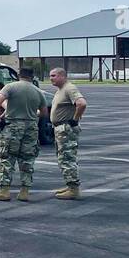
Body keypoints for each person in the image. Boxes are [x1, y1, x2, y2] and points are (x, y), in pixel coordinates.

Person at [0, 67, 49, 201]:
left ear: (19, 75)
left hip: (13, 126)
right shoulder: (38, 91)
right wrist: (32, 115)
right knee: (27, 159)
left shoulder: (10, 87)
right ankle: (24, 191)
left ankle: (4, 191)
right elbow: (44, 113)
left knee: (6, 158)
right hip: (31, 128)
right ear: (32, 77)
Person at [48, 67, 87, 199]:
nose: (51, 78)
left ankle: (74, 189)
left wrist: (74, 120)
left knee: (67, 158)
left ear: (62, 76)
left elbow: (81, 104)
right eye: (50, 76)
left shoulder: (69, 88)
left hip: (66, 129)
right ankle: (70, 184)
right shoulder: (60, 90)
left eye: (53, 76)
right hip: (59, 129)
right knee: (63, 158)